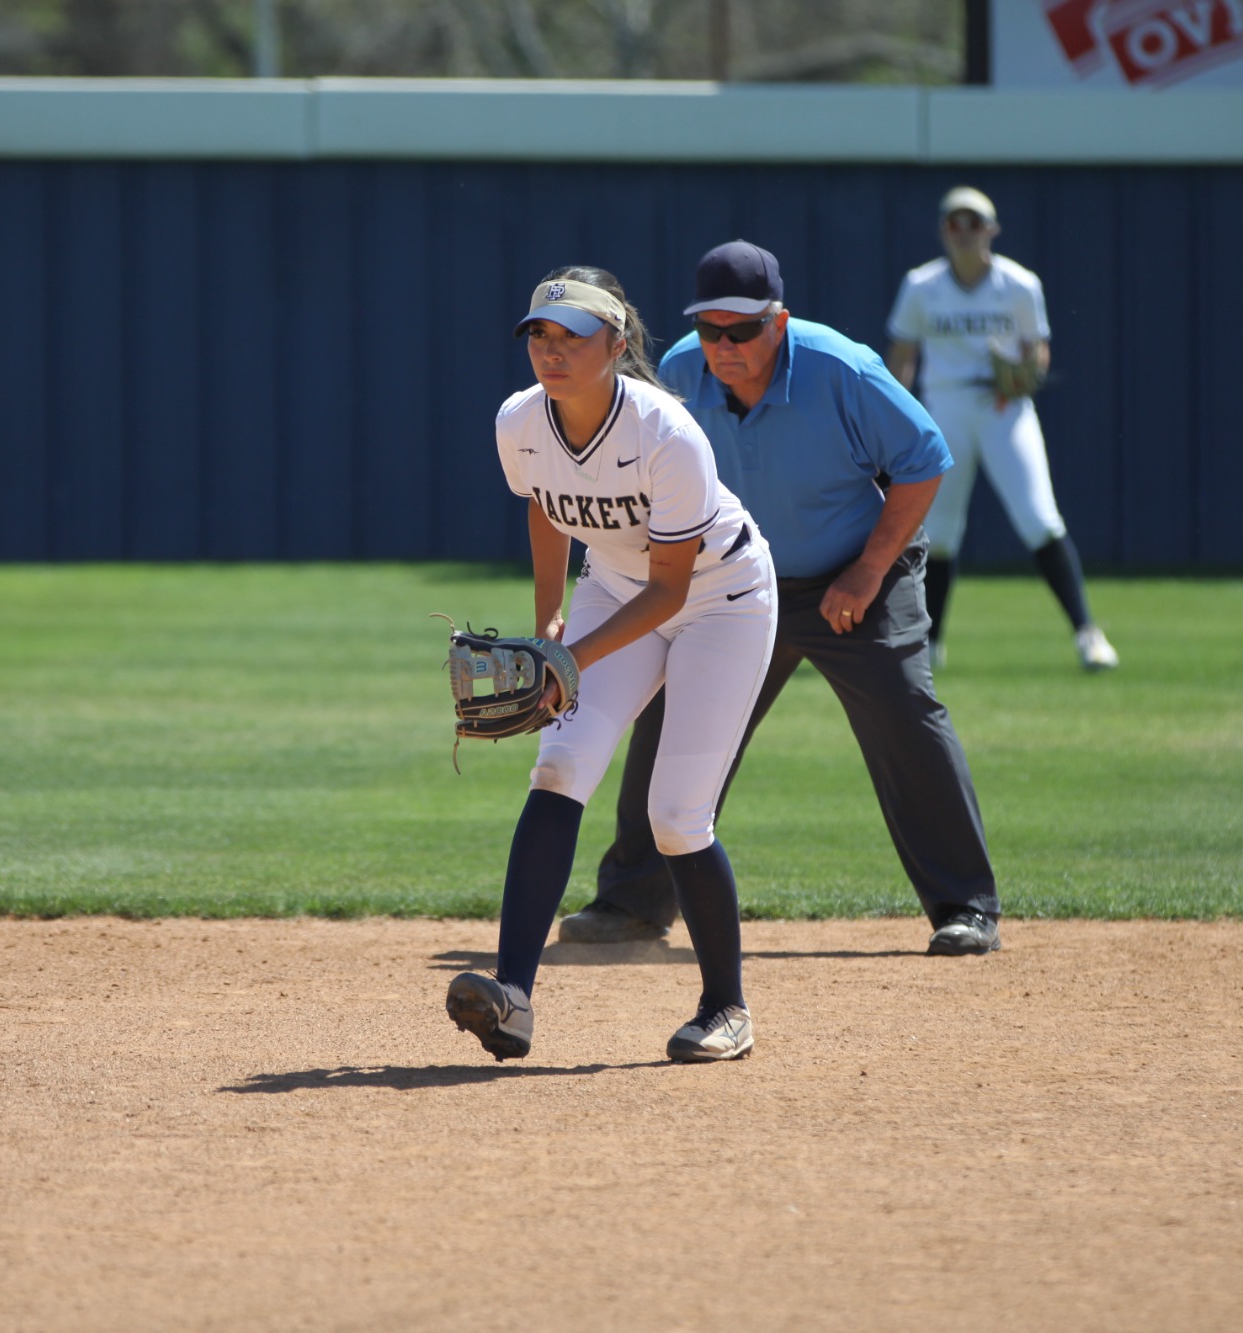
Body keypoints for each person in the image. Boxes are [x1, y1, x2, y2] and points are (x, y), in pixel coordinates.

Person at [559, 240, 1002, 956]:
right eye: (710, 329)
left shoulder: (842, 369)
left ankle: (966, 906)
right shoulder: (680, 375)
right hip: (734, 585)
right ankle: (633, 902)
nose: (723, 346)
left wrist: (866, 572)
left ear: (779, 321)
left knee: (904, 715)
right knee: (670, 716)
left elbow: (926, 462)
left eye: (742, 329)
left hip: (851, 575)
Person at [443, 266, 778, 1065]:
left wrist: (567, 657)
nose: (551, 352)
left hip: (722, 599)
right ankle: (514, 997)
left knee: (675, 815)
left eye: (572, 337)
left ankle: (726, 1007)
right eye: (540, 336)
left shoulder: (666, 434)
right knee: (559, 770)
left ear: (615, 345)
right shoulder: (520, 420)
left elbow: (670, 591)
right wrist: (547, 622)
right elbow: (546, 505)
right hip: (614, 588)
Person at [884, 185, 1118, 673]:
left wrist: (1024, 373)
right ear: (943, 231)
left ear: (991, 229)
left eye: (975, 223)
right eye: (955, 223)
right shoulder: (921, 285)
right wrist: (897, 423)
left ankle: (1087, 634)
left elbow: (1038, 351)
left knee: (1038, 518)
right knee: (939, 532)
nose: (965, 232)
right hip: (943, 404)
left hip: (1001, 405)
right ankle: (931, 645)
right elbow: (902, 358)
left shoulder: (1019, 284)